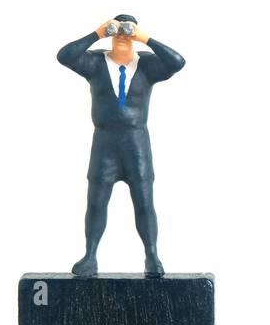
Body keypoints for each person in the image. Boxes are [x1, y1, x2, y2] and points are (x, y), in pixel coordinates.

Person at [57, 15, 185, 276]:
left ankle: (152, 257)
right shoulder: (94, 62)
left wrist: (144, 38)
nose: (123, 37)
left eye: (128, 32)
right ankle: (90, 256)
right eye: (119, 32)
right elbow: (65, 56)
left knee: (144, 202)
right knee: (95, 202)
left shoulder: (147, 65)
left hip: (136, 144)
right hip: (104, 144)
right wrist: (98, 32)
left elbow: (177, 62)